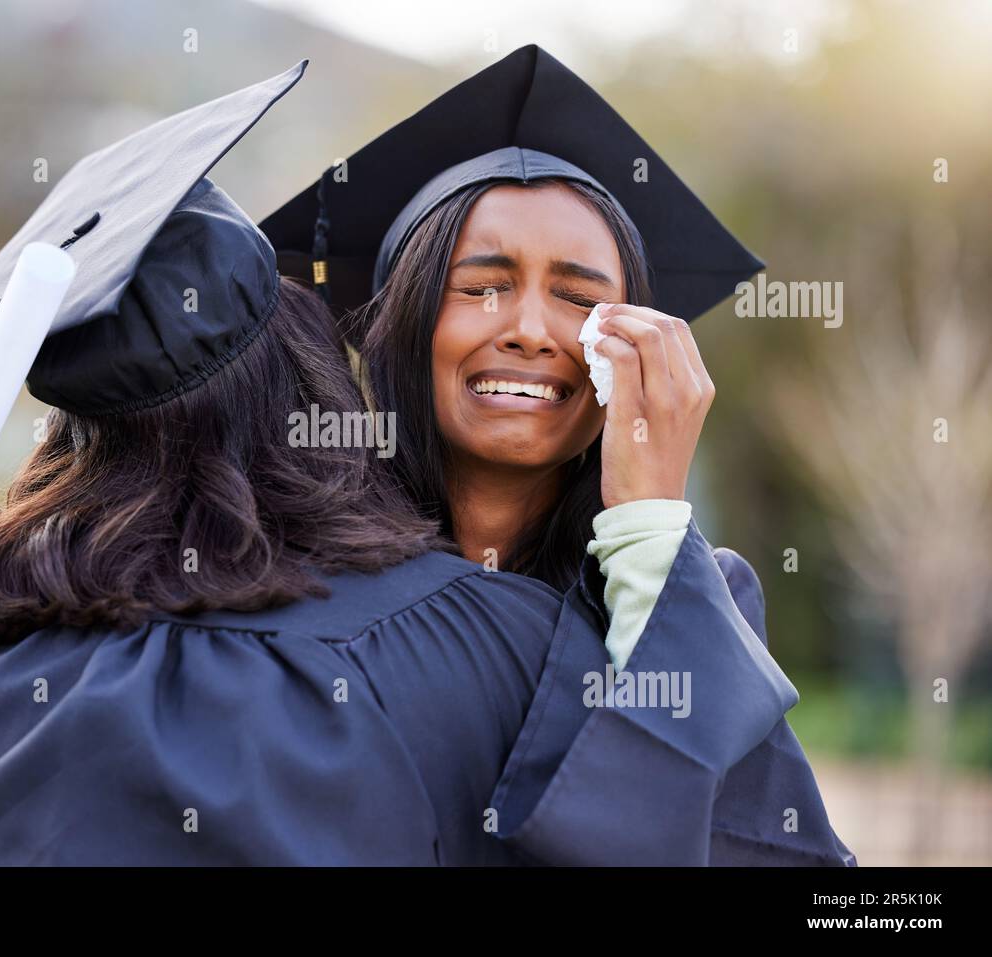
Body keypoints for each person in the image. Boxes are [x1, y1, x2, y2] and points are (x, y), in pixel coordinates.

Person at [257, 44, 857, 865]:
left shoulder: (691, 601)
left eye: (580, 299)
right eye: (479, 287)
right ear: (400, 322)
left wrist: (647, 527)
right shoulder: (285, 575)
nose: (532, 330)